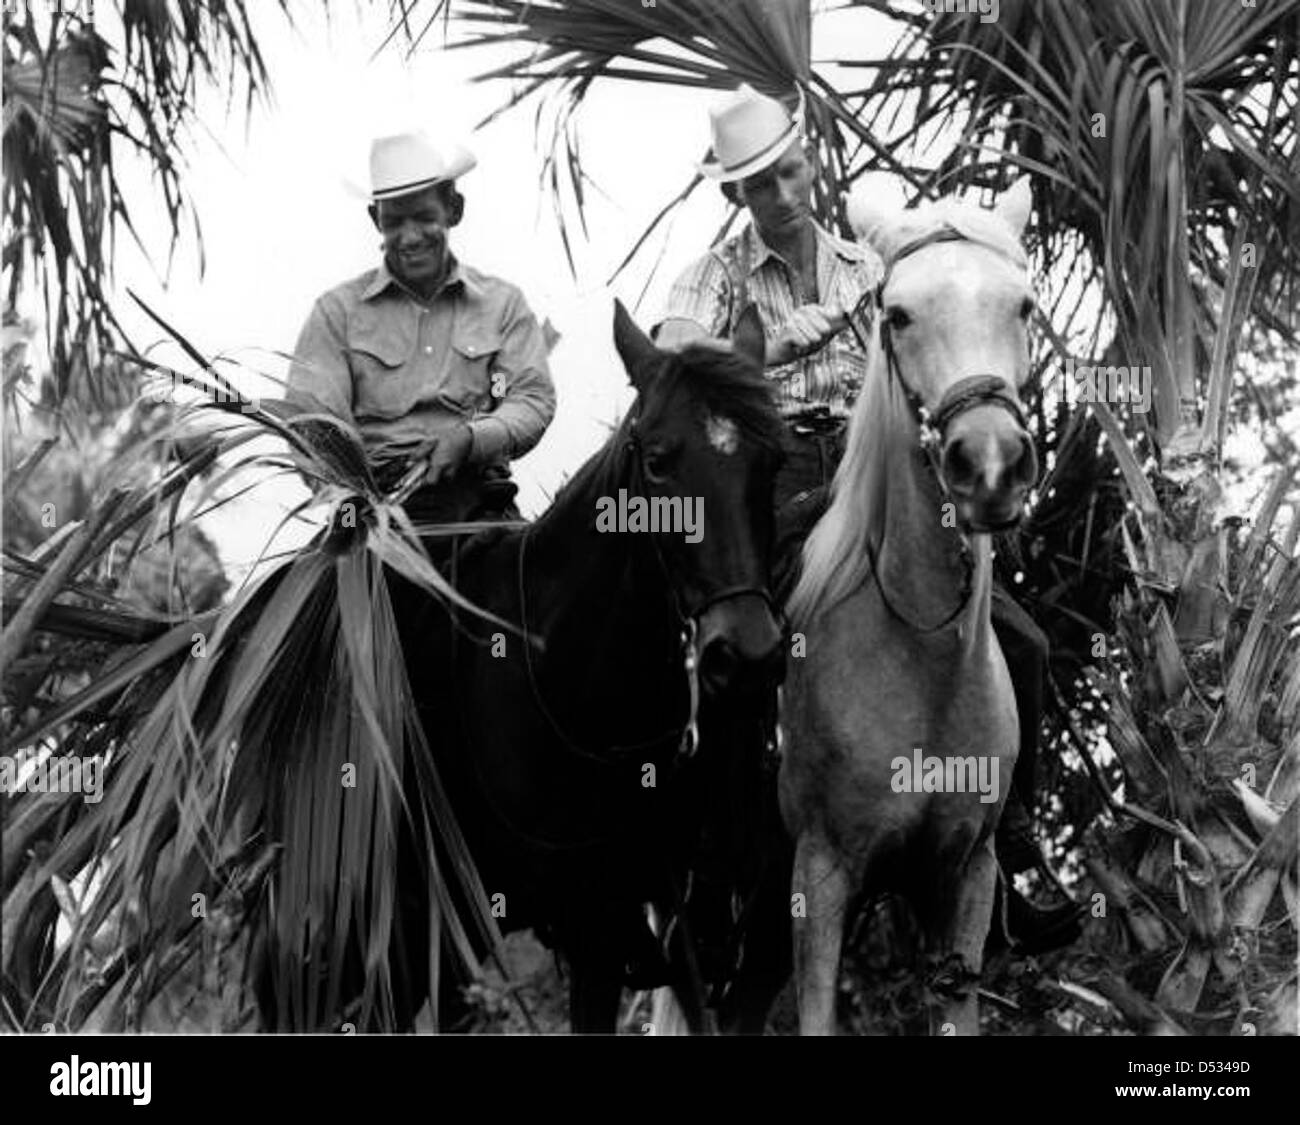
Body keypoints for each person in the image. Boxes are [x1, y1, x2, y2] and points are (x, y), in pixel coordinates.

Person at [656, 85, 1079, 953]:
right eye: (758, 184)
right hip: (769, 479)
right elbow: (671, 365)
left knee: (1021, 643)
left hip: (874, 477)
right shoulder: (713, 277)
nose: (781, 191)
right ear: (734, 195)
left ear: (807, 161)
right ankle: (720, 848)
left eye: (788, 169)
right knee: (748, 641)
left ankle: (1008, 835)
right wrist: (769, 350)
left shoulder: (872, 266)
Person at [286, 130, 556, 526]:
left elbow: (530, 399)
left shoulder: (503, 305)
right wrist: (355, 496)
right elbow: (313, 425)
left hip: (483, 504)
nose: (410, 237)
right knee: (299, 588)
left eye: (425, 217)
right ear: (375, 219)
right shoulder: (337, 313)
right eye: (394, 221)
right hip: (377, 513)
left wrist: (470, 440)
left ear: (454, 210)